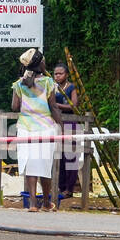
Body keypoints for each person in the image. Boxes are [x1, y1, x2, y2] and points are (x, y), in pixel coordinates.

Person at [11, 49, 61, 212]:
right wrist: (61, 125)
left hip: (25, 128)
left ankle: (33, 203)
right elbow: (53, 106)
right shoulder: (48, 82)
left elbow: (15, 107)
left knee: (31, 165)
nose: (45, 64)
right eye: (44, 61)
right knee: (44, 165)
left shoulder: (19, 83)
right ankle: (46, 203)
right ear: (40, 64)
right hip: (45, 128)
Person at [50, 63, 80, 204]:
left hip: (71, 125)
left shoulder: (71, 87)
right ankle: (60, 187)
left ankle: (69, 188)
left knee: (71, 157)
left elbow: (74, 105)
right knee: (59, 157)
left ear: (66, 74)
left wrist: (56, 106)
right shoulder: (52, 87)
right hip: (56, 125)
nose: (57, 76)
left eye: (60, 73)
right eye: (55, 74)